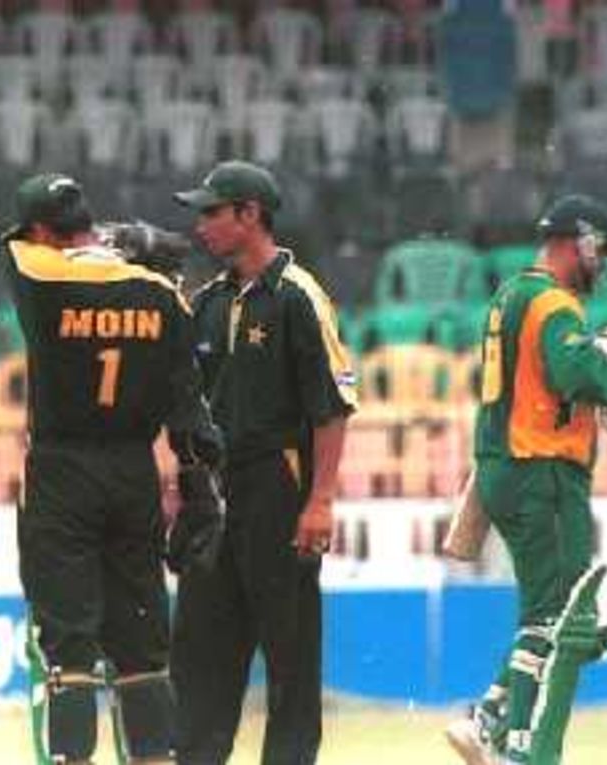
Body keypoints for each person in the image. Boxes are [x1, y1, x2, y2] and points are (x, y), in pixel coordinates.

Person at [3, 173, 222, 765]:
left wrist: (106, 240)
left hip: (62, 470)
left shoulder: (39, 278)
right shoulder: (161, 293)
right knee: (142, 648)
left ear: (41, 230)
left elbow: (15, 249)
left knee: (69, 647)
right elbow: (188, 403)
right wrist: (197, 486)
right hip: (132, 472)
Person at [445, 194, 607, 765]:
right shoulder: (554, 303)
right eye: (600, 252)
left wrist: (593, 358)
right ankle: (518, 745)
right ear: (578, 242)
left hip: (504, 468)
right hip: (543, 469)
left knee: (547, 612)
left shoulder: (510, 296)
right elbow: (572, 372)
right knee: (561, 615)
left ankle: (490, 718)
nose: (602, 266)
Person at [170, 161, 357, 765]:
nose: (200, 226)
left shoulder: (299, 297)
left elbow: (332, 407)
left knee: (290, 656)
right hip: (216, 493)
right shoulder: (207, 302)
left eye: (211, 212)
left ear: (249, 215)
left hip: (279, 484)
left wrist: (320, 501)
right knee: (200, 653)